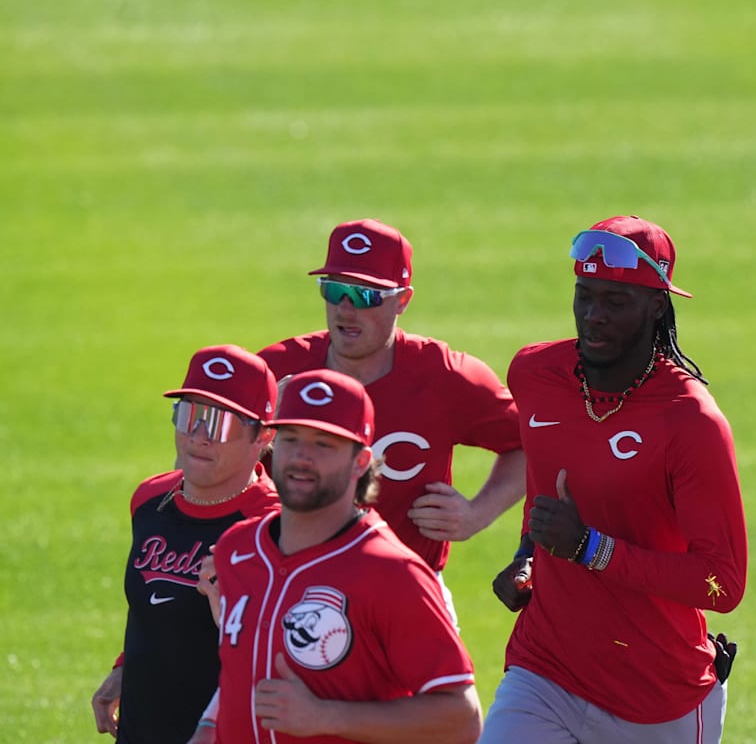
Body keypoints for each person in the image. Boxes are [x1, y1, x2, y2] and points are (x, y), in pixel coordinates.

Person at [482, 215, 747, 744]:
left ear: (656, 306)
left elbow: (723, 583)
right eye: (584, 296)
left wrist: (590, 548)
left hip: (655, 697)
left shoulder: (691, 421)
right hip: (544, 670)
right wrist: (527, 556)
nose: (593, 316)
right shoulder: (535, 375)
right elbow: (547, 490)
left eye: (616, 301)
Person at [197, 368, 482, 744]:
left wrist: (325, 716)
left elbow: (462, 719)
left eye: (324, 444)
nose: (301, 457)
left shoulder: (392, 573)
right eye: (290, 438)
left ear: (361, 462)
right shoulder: (238, 548)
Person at [260, 218, 525, 587]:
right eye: (335, 290)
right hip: (291, 583)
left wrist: (477, 513)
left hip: (407, 588)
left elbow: (531, 444)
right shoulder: (276, 371)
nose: (346, 309)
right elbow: (204, 459)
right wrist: (261, 432)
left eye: (366, 295)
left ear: (402, 300)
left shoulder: (445, 376)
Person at [91, 345, 280, 743]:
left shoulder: (275, 527)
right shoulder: (149, 499)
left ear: (263, 435)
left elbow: (285, 654)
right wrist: (123, 668)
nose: (198, 436)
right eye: (190, 415)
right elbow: (153, 610)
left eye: (219, 423)